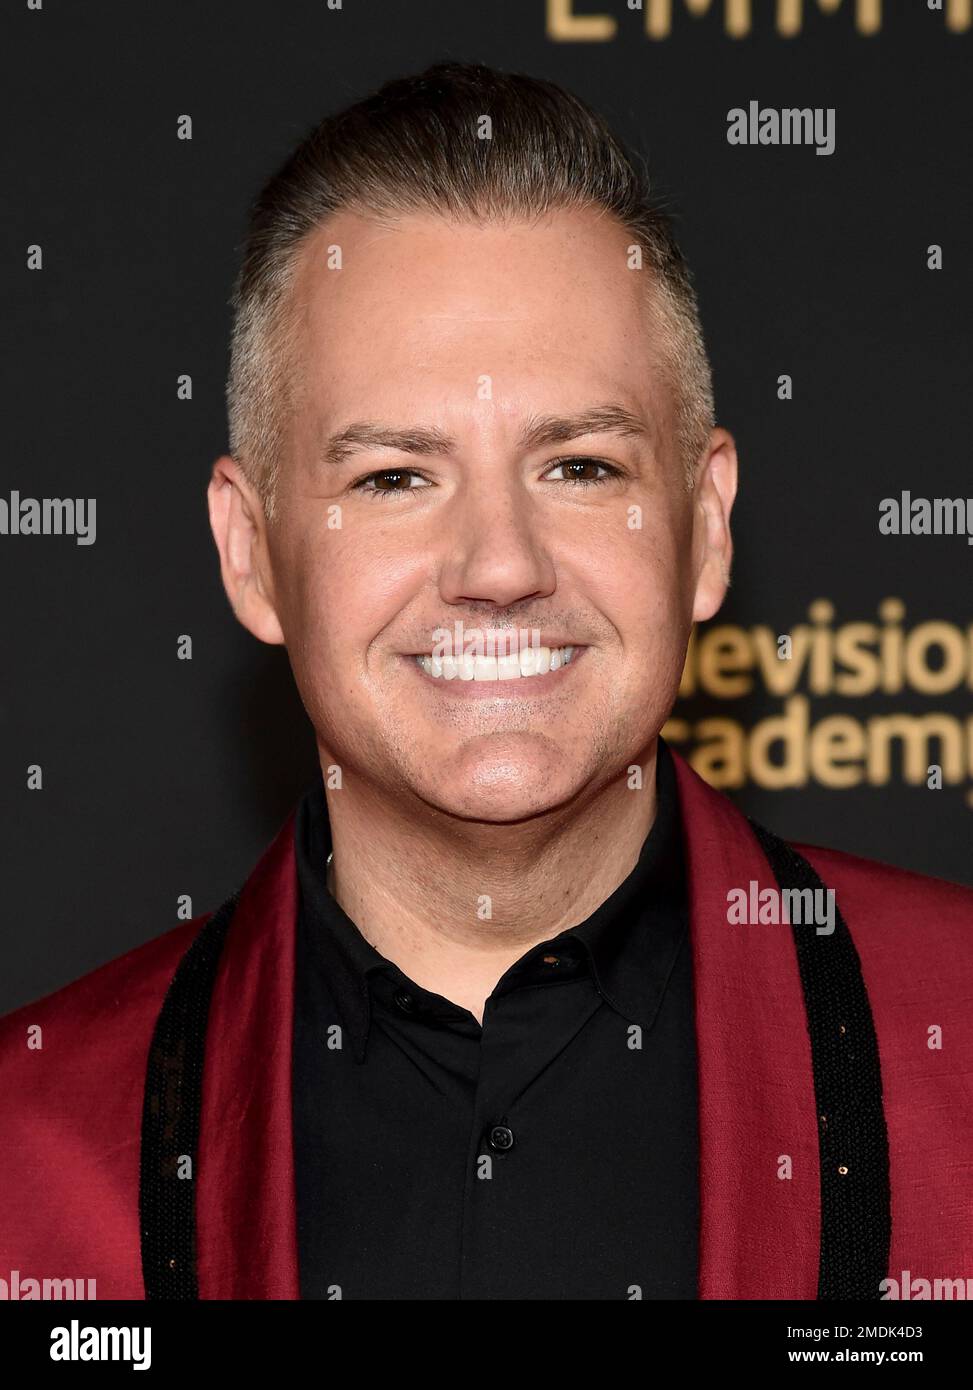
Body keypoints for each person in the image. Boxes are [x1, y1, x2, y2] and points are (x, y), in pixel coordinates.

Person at [1, 61, 971, 1302]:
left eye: (578, 465)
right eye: (395, 478)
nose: (500, 566)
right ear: (250, 553)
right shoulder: (28, 1149)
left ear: (707, 528)